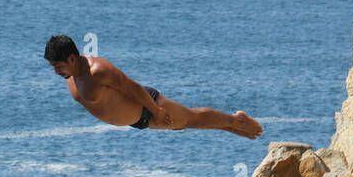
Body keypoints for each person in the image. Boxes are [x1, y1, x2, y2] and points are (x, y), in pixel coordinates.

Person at [44, 35, 262, 139]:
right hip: (136, 120)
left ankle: (236, 121)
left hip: (147, 107)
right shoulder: (71, 79)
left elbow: (134, 87)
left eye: (58, 66)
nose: (56, 72)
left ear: (72, 58)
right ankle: (230, 126)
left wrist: (157, 111)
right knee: (183, 124)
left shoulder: (99, 70)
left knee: (190, 118)